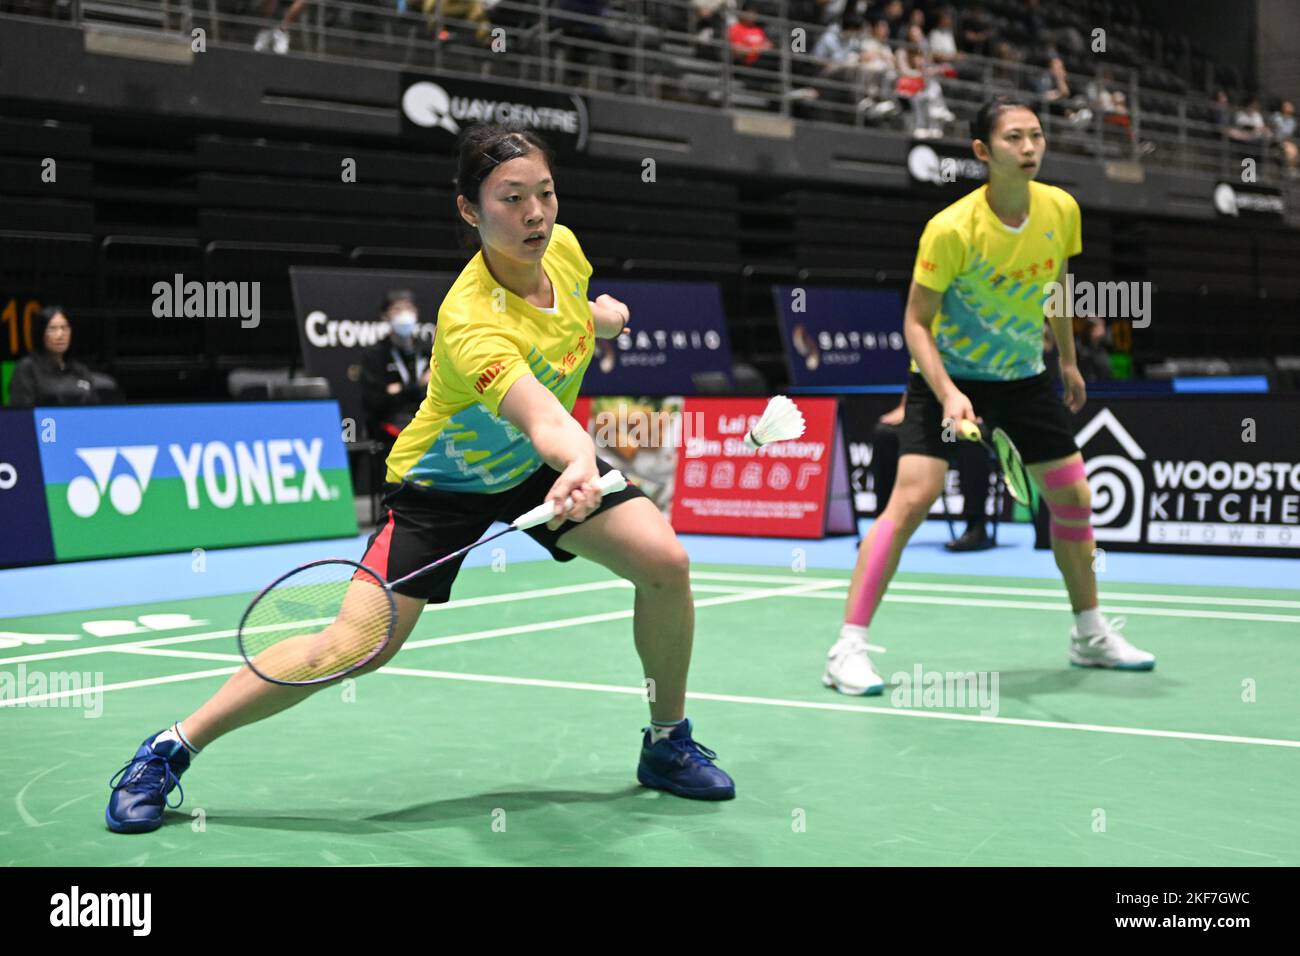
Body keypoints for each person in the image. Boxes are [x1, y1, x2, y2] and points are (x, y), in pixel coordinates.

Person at [104, 125, 735, 834]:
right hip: (446, 485)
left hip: (531, 473)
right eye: (511, 199)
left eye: (546, 193)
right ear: (469, 211)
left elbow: (559, 320)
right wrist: (581, 461)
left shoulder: (562, 247)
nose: (535, 213)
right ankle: (169, 749)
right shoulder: (468, 322)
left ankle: (666, 743)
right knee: (351, 648)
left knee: (666, 562)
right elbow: (544, 420)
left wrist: (600, 317)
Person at [822, 96, 1156, 697]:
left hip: (1025, 378)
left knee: (1074, 497)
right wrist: (947, 392)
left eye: (1036, 137)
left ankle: (1089, 633)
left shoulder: (1061, 209)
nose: (1029, 149)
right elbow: (916, 324)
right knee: (913, 498)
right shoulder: (950, 230)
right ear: (983, 152)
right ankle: (847, 647)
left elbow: (1057, 288)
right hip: (947, 377)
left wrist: (1070, 362)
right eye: (1014, 139)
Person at [359, 289, 433, 451]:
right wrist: (419, 386)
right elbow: (376, 402)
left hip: (430, 419)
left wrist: (399, 390)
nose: (404, 315)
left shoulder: (429, 350)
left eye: (408, 309)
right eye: (397, 310)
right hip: (393, 425)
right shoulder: (375, 355)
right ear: (385, 316)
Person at [8, 307, 101, 408]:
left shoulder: (80, 370)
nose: (60, 335)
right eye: (52, 329)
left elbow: (95, 409)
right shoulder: (27, 368)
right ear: (41, 333)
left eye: (65, 328)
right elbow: (20, 414)